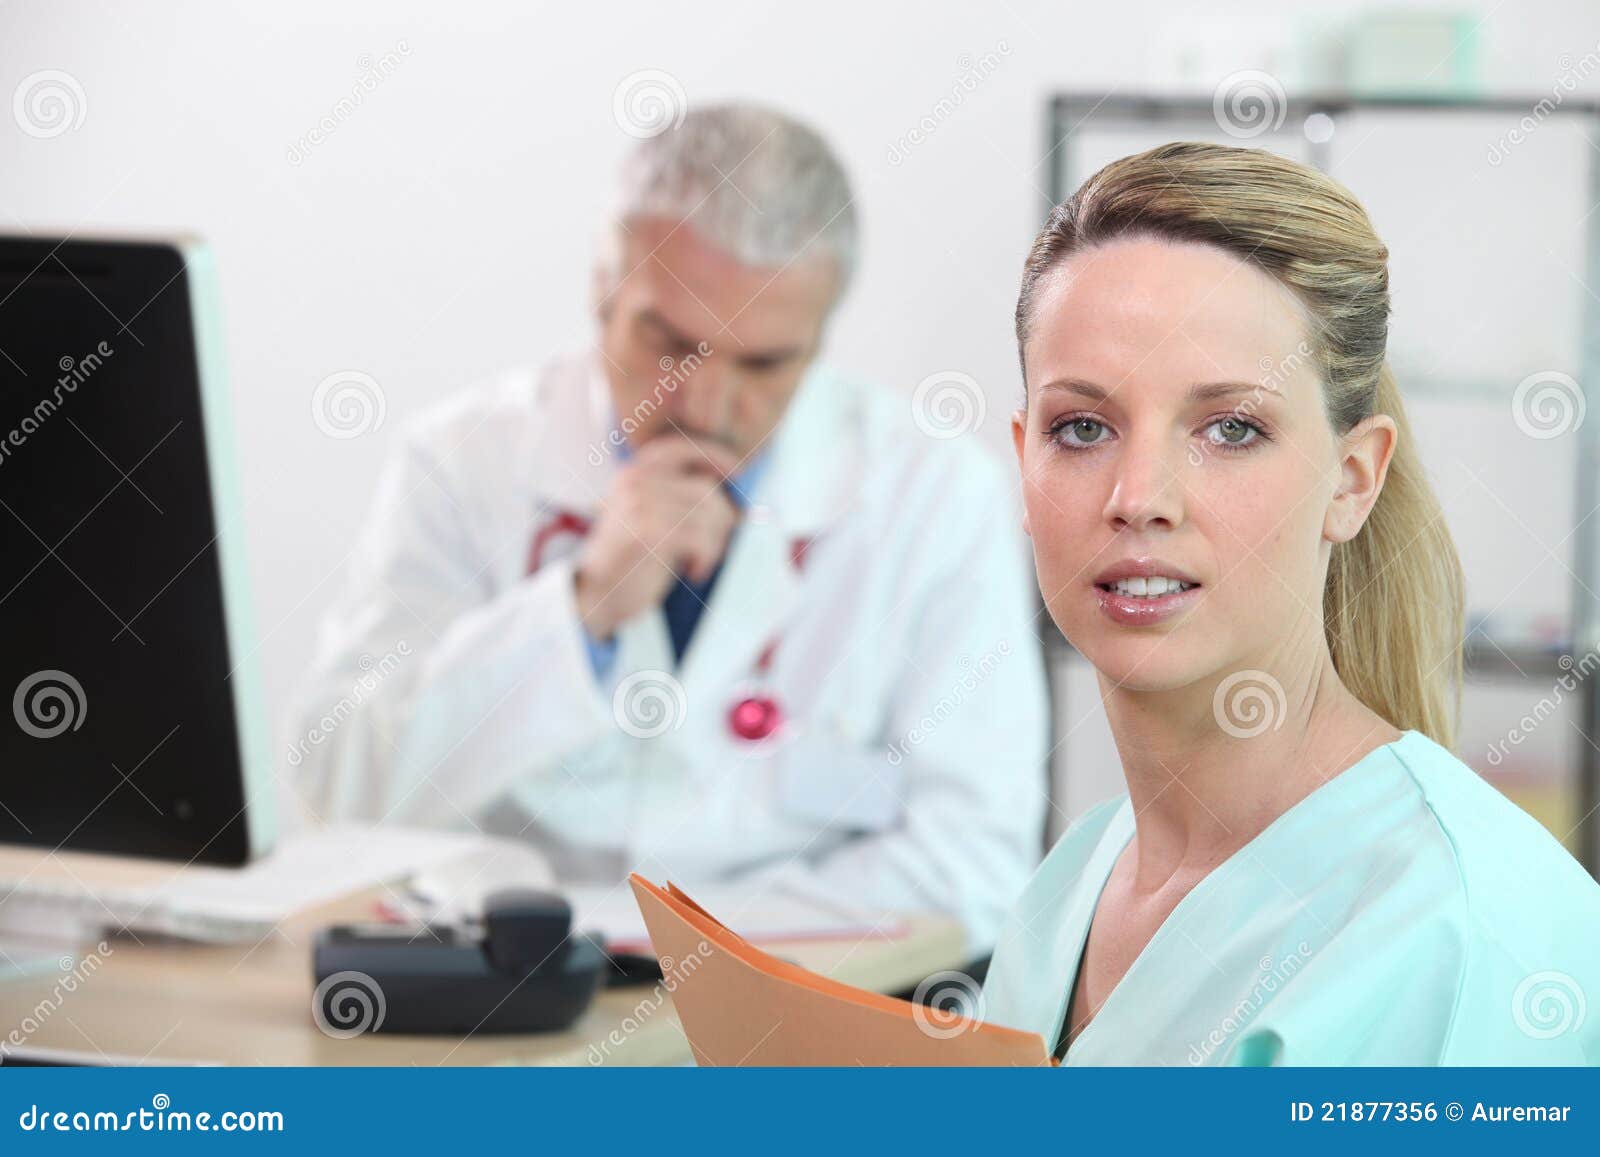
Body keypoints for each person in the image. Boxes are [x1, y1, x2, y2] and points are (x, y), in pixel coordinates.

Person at [290, 104, 1048, 951]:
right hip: (498, 1016)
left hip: (798, 1028)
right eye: (669, 342)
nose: (703, 404)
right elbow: (339, 780)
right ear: (602, 292)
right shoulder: (463, 464)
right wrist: (578, 613)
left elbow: (974, 869)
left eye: (764, 363)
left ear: (821, 335)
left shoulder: (936, 496)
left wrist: (672, 944)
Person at [982, 141, 1600, 1063]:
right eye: (1083, 428)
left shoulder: (1469, 930)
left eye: (1231, 428)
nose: (1139, 494)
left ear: (1353, 480)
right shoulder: (1076, 879)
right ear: (1024, 460)